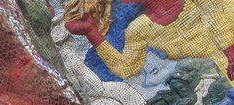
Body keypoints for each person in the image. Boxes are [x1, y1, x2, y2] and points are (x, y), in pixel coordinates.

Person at [64, 0, 234, 84]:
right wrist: (92, 33)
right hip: (222, 79)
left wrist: (230, 51)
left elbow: (219, 13)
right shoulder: (140, 29)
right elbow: (126, 68)